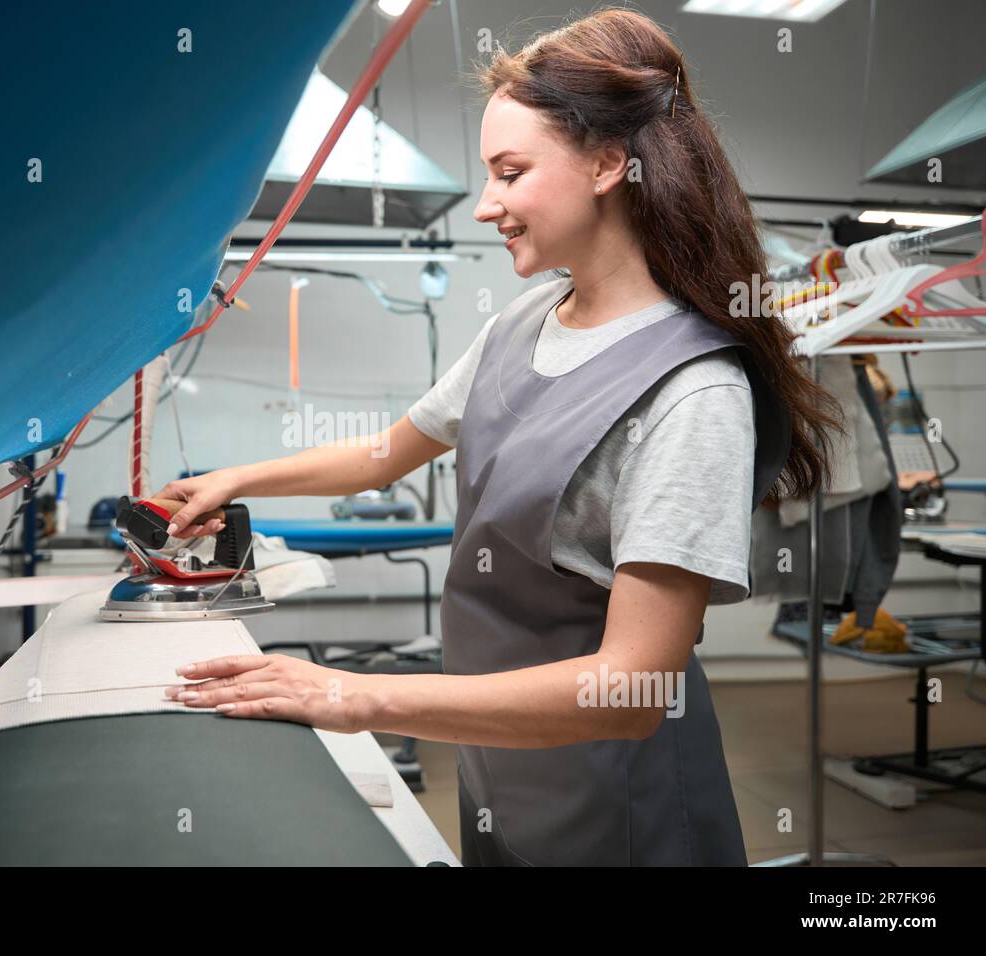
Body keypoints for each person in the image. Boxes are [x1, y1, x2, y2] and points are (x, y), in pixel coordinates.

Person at [153, 9, 841, 866]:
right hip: (497, 765)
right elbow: (384, 455)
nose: (487, 205)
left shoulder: (692, 390)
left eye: (510, 173)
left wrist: (351, 695)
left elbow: (633, 686)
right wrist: (234, 479)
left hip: (618, 805)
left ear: (606, 163)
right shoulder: (522, 324)